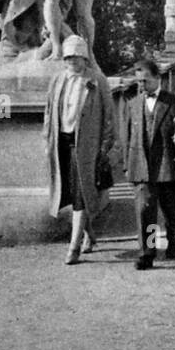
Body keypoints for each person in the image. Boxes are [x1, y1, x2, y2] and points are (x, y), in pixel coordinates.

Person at [43, 35, 116, 264]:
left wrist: (105, 146)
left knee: (81, 192)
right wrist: (47, 139)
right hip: (61, 141)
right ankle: (89, 235)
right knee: (69, 190)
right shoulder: (58, 80)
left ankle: (73, 247)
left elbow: (109, 116)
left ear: (84, 57)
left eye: (76, 57)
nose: (72, 61)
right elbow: (48, 112)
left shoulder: (97, 80)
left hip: (85, 144)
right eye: (68, 57)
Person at [123, 59, 175, 270]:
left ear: (158, 78)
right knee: (145, 212)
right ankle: (147, 253)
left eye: (145, 81)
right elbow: (127, 137)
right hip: (142, 167)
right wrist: (127, 165)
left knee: (170, 211)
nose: (141, 86)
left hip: (167, 164)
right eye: (138, 82)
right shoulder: (132, 104)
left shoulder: (173, 102)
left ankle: (173, 245)